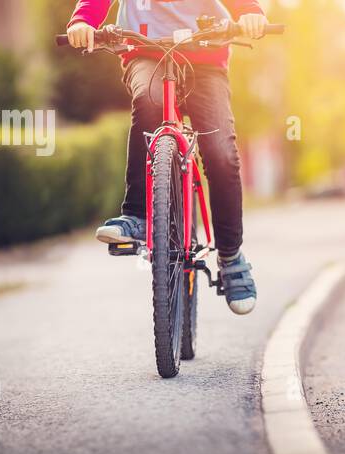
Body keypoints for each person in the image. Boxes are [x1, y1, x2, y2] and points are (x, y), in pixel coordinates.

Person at [65, 0, 269, 315]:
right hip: (146, 52)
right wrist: (83, 20)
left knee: (221, 152)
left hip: (205, 54)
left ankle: (230, 255)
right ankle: (137, 216)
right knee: (149, 102)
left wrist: (250, 13)